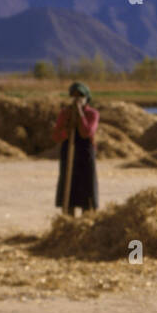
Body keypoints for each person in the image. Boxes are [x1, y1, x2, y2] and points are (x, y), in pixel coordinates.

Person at [52, 81, 99, 215]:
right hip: (69, 153)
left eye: (80, 96)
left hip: (85, 155)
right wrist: (67, 130)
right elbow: (56, 135)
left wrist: (80, 115)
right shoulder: (65, 113)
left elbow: (86, 132)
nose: (77, 99)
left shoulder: (92, 114)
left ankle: (87, 218)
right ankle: (68, 218)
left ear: (86, 98)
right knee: (68, 188)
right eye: (74, 96)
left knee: (87, 189)